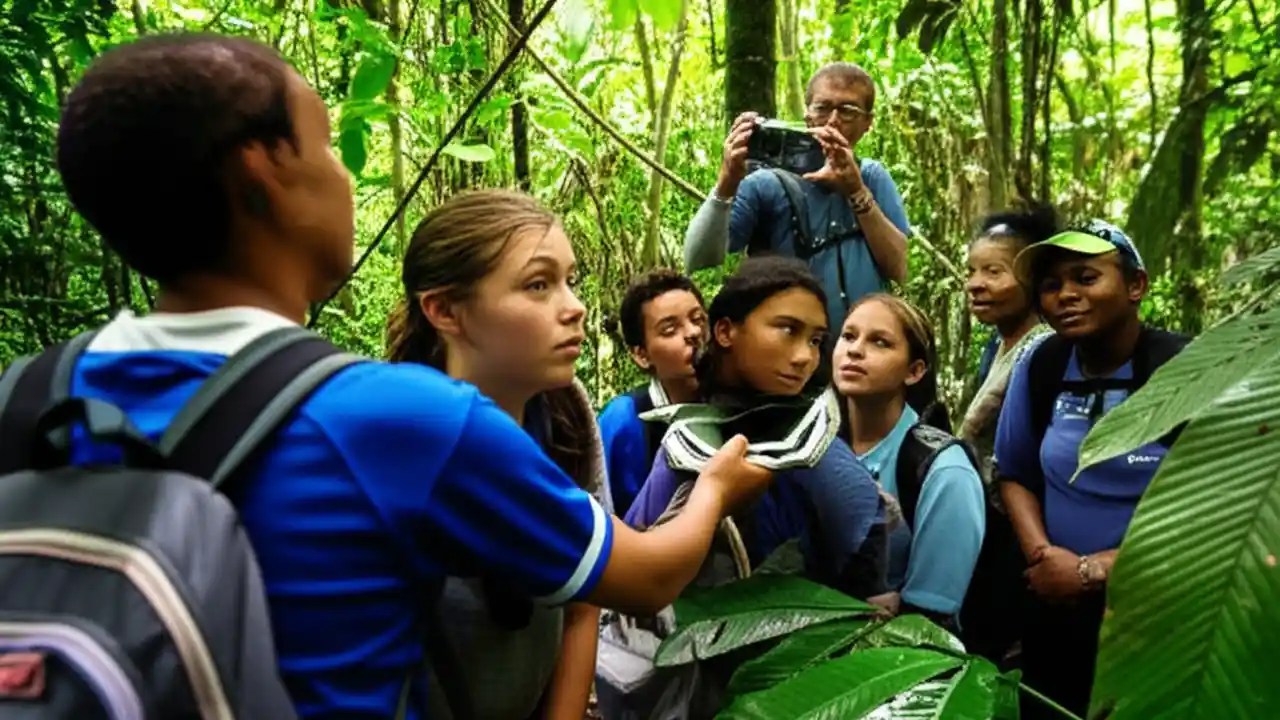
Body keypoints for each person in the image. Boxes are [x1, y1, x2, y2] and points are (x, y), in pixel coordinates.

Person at [51, 32, 772, 720]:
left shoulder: (32, 397)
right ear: (262, 172)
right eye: (328, 147)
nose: (342, 172)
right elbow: (644, 575)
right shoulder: (403, 418)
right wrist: (713, 487)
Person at [384, 189, 610, 719]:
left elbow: (586, 597)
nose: (574, 307)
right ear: (443, 310)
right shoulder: (399, 431)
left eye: (569, 281)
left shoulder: (567, 414)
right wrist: (713, 489)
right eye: (538, 285)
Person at [995, 221, 1188, 718]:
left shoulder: (1185, 371)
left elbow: (1218, 507)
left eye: (1086, 278)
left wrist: (1093, 570)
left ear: (1136, 285)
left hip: (1157, 612)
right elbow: (1014, 472)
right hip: (1056, 608)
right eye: (1052, 284)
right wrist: (1046, 558)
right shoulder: (1042, 365)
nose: (1066, 296)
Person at [626, 256, 886, 598]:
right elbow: (636, 555)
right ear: (725, 332)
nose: (805, 357)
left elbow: (865, 544)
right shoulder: (687, 436)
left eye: (815, 340)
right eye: (788, 330)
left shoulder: (809, 440)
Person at [683, 62, 912, 341]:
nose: (833, 120)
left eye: (848, 111)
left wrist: (856, 191)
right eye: (822, 108)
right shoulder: (766, 185)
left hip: (862, 358)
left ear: (868, 123)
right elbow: (698, 258)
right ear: (807, 116)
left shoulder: (872, 177)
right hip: (785, 361)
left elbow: (899, 268)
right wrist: (727, 182)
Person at [832, 293, 985, 628]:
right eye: (848, 336)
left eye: (880, 342)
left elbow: (930, 617)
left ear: (914, 371)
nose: (855, 350)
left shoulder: (945, 470)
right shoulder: (818, 446)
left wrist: (902, 609)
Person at [598, 270, 708, 517]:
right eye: (670, 330)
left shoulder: (737, 404)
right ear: (642, 355)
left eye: (698, 319)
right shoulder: (623, 420)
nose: (693, 333)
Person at [959, 205, 1058, 476]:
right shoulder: (996, 346)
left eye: (993, 272)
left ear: (1035, 279)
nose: (974, 284)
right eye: (971, 272)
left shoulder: (1046, 353)